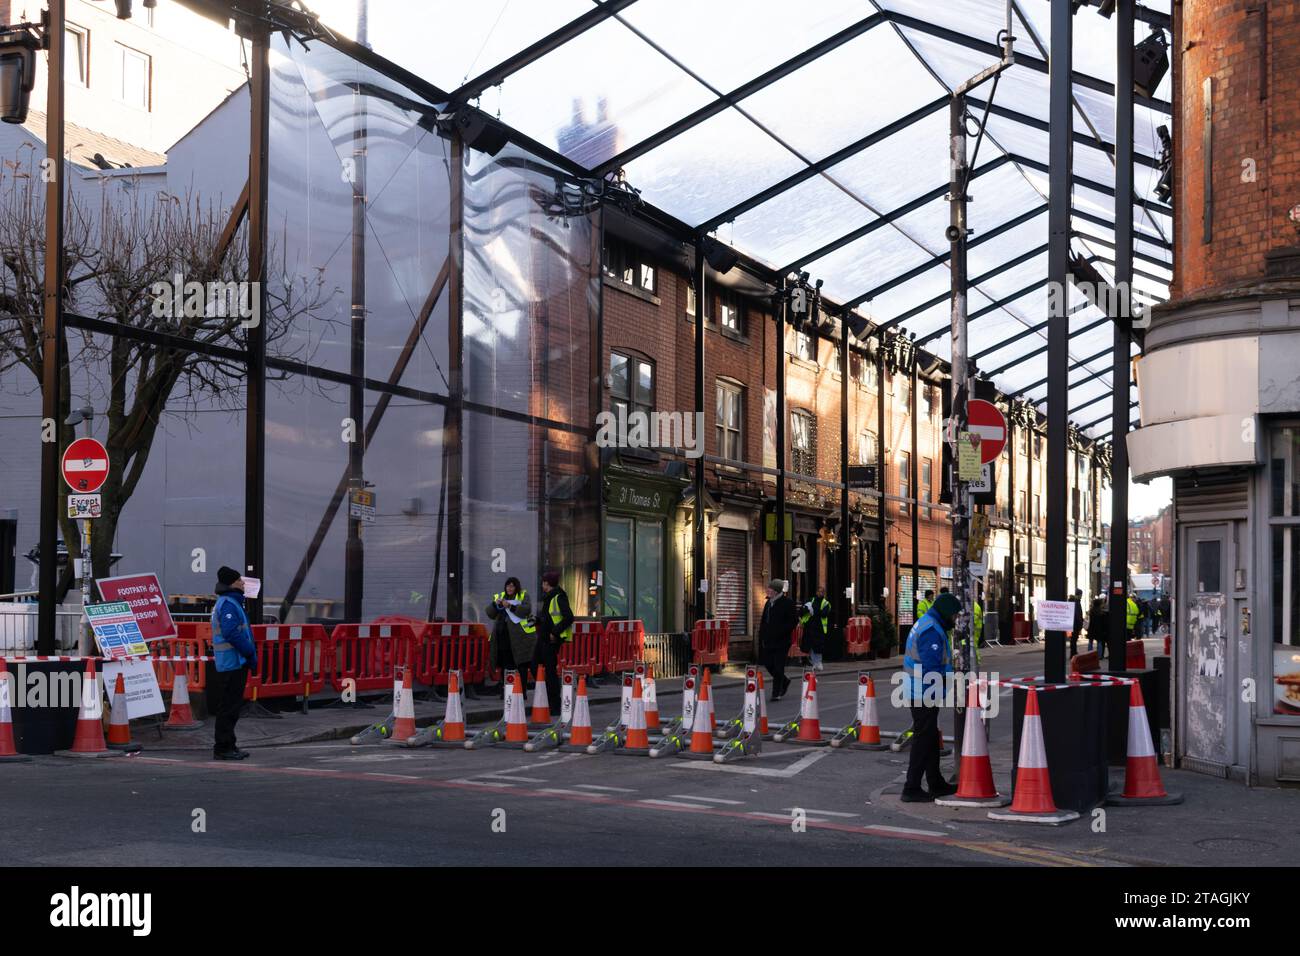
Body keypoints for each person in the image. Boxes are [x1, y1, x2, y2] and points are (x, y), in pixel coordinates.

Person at [900, 592, 960, 802]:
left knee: (930, 737)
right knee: (923, 739)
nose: (955, 620)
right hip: (922, 692)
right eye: (954, 616)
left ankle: (936, 783)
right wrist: (939, 692)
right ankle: (911, 787)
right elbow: (931, 668)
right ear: (945, 613)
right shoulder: (932, 630)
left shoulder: (928, 622)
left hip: (918, 689)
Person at [209, 566, 257, 760]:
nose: (243, 583)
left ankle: (230, 744)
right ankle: (223, 747)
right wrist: (248, 650)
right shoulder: (229, 604)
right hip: (233, 662)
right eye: (239, 580)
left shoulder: (230, 602)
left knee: (232, 706)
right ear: (232, 583)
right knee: (229, 707)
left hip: (233, 662)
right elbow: (230, 632)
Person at [484, 577, 535, 690]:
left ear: (516, 587)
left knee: (520, 664)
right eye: (508, 586)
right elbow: (490, 614)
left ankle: (522, 690)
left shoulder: (523, 595)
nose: (510, 588)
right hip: (503, 637)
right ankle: (506, 689)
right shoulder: (501, 596)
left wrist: (511, 606)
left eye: (512, 586)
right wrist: (494, 604)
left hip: (519, 638)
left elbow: (526, 610)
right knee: (504, 664)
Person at [532, 570, 572, 710]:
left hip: (551, 639)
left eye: (543, 582)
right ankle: (546, 697)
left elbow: (569, 617)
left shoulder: (558, 597)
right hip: (544, 637)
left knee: (549, 671)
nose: (542, 585)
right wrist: (537, 621)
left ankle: (554, 703)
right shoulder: (549, 597)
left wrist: (555, 633)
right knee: (535, 665)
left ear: (547, 583)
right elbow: (548, 618)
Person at [759, 579, 797, 700]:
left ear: (775, 591)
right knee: (768, 664)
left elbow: (793, 621)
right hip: (769, 640)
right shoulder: (768, 603)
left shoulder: (787, 603)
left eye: (769, 589)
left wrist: (781, 631)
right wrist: (762, 635)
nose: (767, 590)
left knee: (779, 665)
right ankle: (784, 681)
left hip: (782, 641)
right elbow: (764, 620)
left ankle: (776, 693)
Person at [799, 584, 832, 672]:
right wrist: (807, 609)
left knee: (818, 646)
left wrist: (813, 609)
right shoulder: (810, 600)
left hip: (819, 628)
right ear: (816, 592)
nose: (820, 593)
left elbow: (824, 613)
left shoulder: (826, 603)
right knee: (809, 645)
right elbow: (803, 610)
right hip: (809, 627)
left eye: (822, 592)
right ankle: (813, 662)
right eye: (819, 591)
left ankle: (818, 662)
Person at [1069, 588, 1085, 659]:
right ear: (1079, 595)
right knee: (1074, 639)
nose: (1082, 596)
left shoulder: (1073, 601)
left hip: (1071, 623)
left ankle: (1073, 652)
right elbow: (1077, 614)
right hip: (1075, 624)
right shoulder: (1076, 602)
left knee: (1073, 639)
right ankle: (1073, 652)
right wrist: (1080, 623)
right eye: (1081, 594)